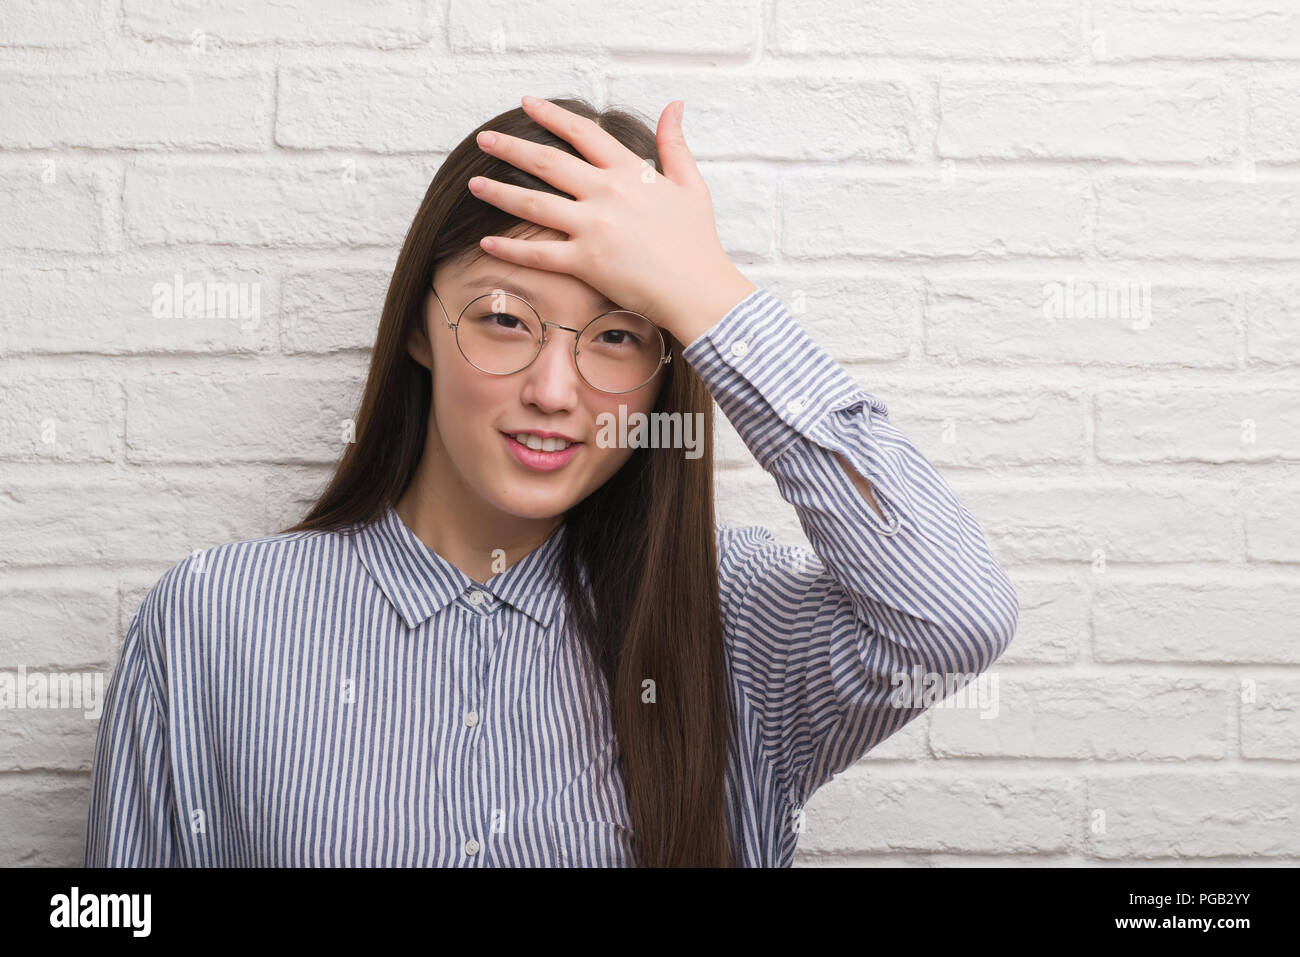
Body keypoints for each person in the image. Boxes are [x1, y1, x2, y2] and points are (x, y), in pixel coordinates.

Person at [85, 95, 1018, 868]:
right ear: (418, 329)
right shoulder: (213, 621)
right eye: (503, 320)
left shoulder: (726, 614)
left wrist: (704, 293)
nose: (554, 391)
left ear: (666, 369)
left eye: (618, 335)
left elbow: (953, 617)